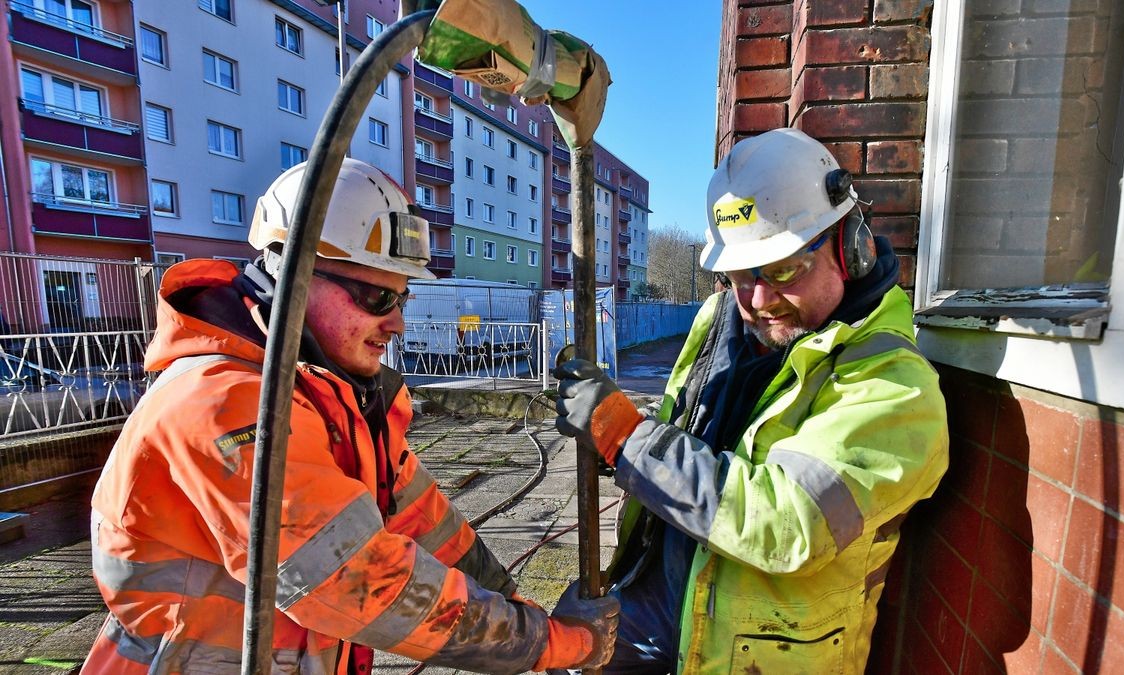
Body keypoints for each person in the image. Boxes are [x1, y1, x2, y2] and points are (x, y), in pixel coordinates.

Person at [83, 159, 618, 674]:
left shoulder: (335, 398)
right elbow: (361, 585)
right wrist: (556, 644)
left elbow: (422, 521)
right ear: (293, 274)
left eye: (402, 297)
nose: (397, 323)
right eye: (378, 297)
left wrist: (514, 603)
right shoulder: (225, 404)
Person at [554, 128, 949, 673]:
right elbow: (687, 431)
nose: (759, 300)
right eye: (740, 276)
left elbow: (786, 524)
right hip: (658, 594)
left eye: (783, 270)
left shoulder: (894, 386)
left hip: (751, 648)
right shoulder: (721, 322)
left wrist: (629, 440)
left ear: (848, 246)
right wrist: (621, 445)